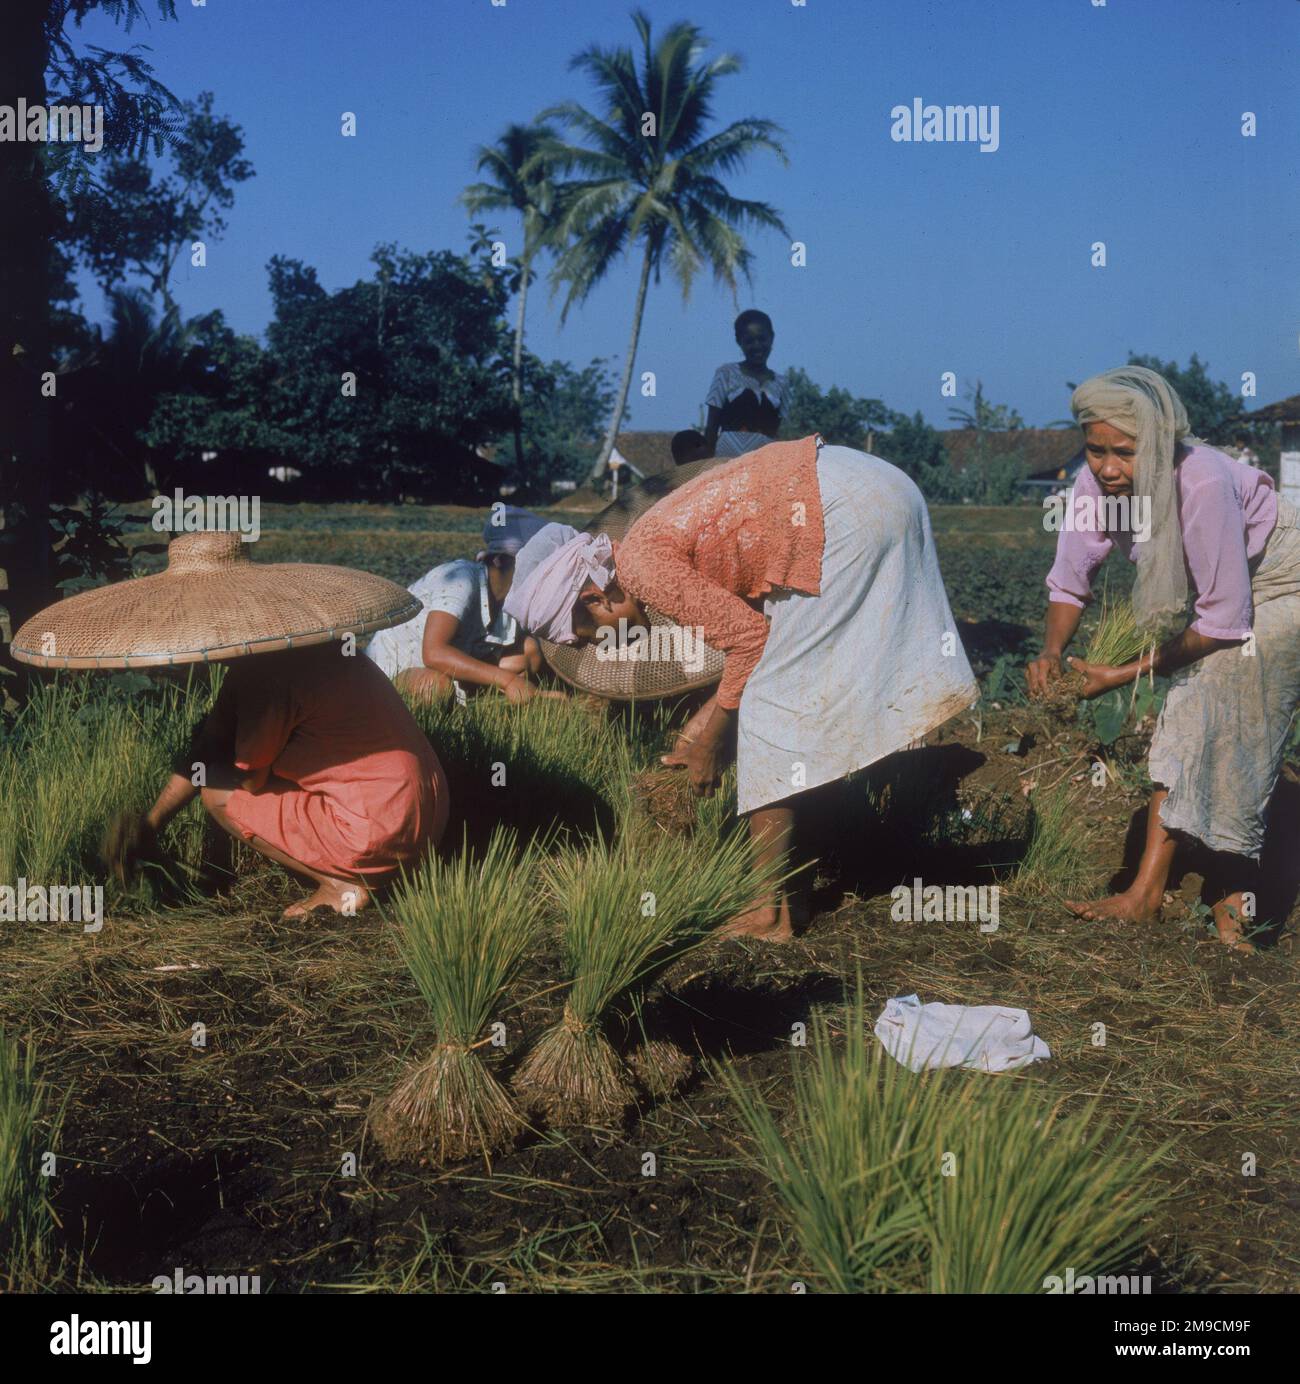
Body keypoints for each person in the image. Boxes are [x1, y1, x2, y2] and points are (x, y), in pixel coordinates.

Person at [505, 436, 978, 941]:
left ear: (596, 598)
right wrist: (706, 719)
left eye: (594, 633)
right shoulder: (647, 549)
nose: (609, 641)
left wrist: (712, 740)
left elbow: (753, 642)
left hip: (841, 515)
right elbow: (753, 641)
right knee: (788, 697)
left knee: (772, 713)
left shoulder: (644, 566)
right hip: (869, 486)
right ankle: (792, 887)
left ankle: (766, 913)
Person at [1027, 366, 1300, 951]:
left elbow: (1225, 620)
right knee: (1185, 716)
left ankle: (1234, 905)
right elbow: (1070, 581)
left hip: (1280, 582)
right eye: (1094, 449)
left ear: (1155, 445)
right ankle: (1144, 895)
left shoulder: (1197, 482)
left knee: (1241, 729)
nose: (1106, 466)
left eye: (1122, 452)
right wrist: (1052, 651)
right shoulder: (1093, 488)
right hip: (1221, 597)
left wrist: (1120, 675)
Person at [110, 643, 450, 918]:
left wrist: (228, 738)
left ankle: (341, 885)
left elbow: (249, 782)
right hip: (430, 818)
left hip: (376, 829)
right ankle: (381, 872)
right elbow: (212, 741)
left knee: (217, 789)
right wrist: (151, 824)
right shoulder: (328, 647)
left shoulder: (265, 679)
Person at [365, 507, 559, 704]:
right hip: (396, 669)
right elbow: (434, 653)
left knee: (528, 652)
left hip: (452, 660)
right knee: (435, 687)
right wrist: (507, 681)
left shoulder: (510, 598)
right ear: (500, 560)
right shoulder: (461, 580)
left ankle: (473, 696)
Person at [703, 309, 786, 459]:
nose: (757, 346)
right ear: (739, 341)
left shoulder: (781, 383)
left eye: (762, 339)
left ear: (771, 338)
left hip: (764, 463)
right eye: (749, 341)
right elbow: (711, 427)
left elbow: (782, 432)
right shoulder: (726, 373)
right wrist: (706, 467)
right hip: (725, 462)